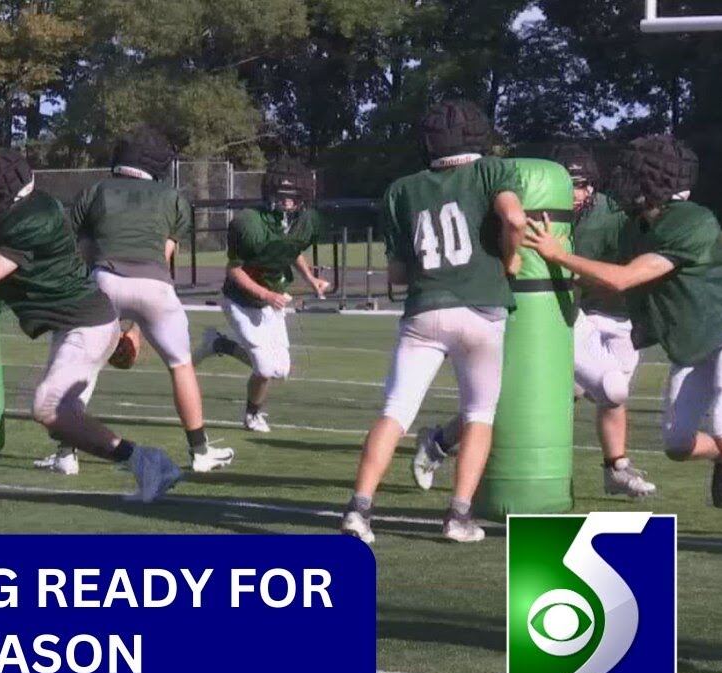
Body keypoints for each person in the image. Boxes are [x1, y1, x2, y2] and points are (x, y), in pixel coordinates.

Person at [0, 147, 183, 501]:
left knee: (49, 408)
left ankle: (145, 460)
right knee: (64, 415)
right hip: (77, 323)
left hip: (88, 324)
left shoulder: (32, 218)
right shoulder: (29, 206)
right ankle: (124, 460)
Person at [411, 144, 655, 498]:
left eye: (583, 185)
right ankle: (439, 442)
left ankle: (616, 467)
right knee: (505, 400)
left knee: (613, 389)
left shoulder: (611, 214)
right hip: (520, 314)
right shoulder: (513, 205)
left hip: (568, 311)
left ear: (595, 187)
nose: (575, 193)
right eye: (569, 184)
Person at [341, 100, 526, 544]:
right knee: (479, 414)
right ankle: (458, 516)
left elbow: (399, 275)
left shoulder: (402, 189)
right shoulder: (492, 171)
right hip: (481, 309)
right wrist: (511, 257)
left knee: (396, 411)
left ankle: (358, 509)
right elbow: (515, 217)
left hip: (425, 311)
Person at [524, 135, 722, 507]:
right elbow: (607, 277)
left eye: (633, 173)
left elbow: (622, 278)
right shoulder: (637, 226)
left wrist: (556, 255)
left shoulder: (693, 219)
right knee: (678, 445)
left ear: (656, 180)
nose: (623, 180)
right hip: (692, 347)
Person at [34, 127, 233, 476]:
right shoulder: (172, 197)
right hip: (156, 288)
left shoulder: (95, 190)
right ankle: (200, 451)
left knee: (84, 364)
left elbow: (73, 250)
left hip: (103, 280)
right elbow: (164, 255)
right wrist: (136, 324)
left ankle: (67, 452)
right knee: (181, 365)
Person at [192, 157, 331, 433]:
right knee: (265, 369)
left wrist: (311, 279)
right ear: (271, 193)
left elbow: (292, 248)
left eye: (293, 197)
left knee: (280, 371)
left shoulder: (300, 221)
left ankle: (221, 345)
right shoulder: (250, 223)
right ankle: (252, 415)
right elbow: (234, 271)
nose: (288, 202)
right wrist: (267, 295)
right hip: (242, 302)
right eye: (283, 196)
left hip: (272, 301)